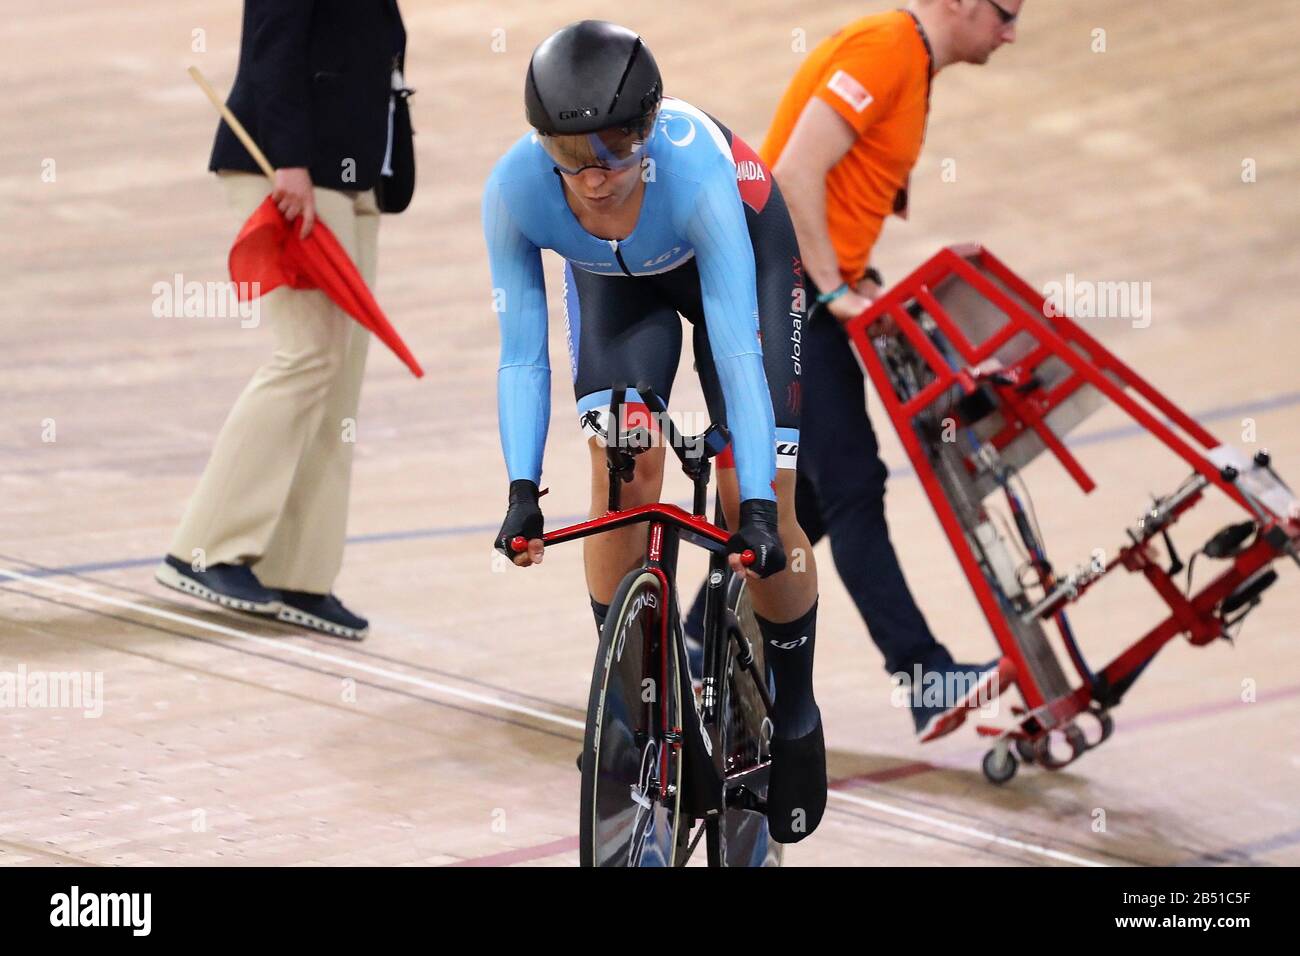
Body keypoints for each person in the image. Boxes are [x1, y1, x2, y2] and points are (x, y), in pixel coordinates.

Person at [483, 21, 825, 843]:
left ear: (649, 127)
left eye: (615, 147)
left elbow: (739, 348)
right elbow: (522, 353)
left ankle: (797, 715)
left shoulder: (698, 172)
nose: (594, 174)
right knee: (622, 467)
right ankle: (629, 711)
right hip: (617, 288)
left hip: (738, 261)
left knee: (760, 492)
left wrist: (748, 514)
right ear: (542, 143)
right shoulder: (516, 190)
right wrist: (523, 489)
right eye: (570, 152)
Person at [687, 0, 1023, 741]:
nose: (1011, 32)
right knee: (852, 488)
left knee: (803, 498)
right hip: (796, 291)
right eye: (1005, 13)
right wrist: (835, 289)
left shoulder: (911, 63)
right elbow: (796, 170)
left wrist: (858, 280)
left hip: (806, 286)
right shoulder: (888, 50)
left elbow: (835, 197)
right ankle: (924, 674)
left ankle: (697, 641)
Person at [155, 0, 411, 641]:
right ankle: (204, 549)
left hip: (351, 179)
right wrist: (290, 159)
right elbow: (273, 46)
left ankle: (296, 569)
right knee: (308, 355)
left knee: (339, 375)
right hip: (289, 168)